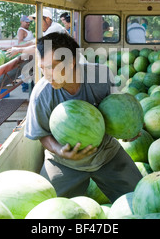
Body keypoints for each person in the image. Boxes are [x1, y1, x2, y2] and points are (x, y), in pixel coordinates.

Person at [24, 32, 143, 202]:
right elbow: (41, 134)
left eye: (52, 67)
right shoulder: (41, 93)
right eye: (42, 68)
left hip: (106, 154)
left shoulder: (101, 76)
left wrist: (128, 129)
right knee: (48, 207)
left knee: (141, 198)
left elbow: (119, 110)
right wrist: (60, 151)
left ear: (71, 62)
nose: (46, 75)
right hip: (63, 162)